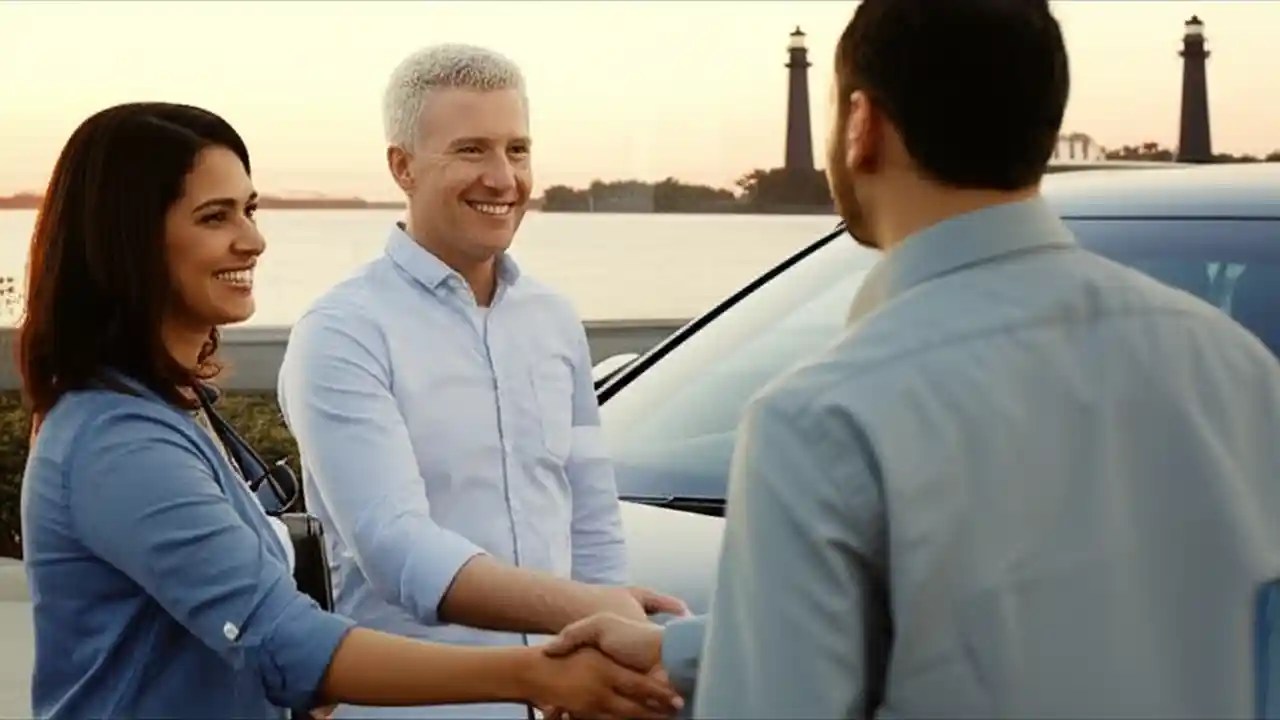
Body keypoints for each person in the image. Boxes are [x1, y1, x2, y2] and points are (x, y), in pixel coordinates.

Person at [544, 1, 1280, 717]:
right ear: (1042, 124)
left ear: (862, 125)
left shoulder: (824, 419)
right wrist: (684, 655)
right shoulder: (1237, 369)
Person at [17, 101, 684, 720]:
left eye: (250, 209)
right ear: (128, 239)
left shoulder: (176, 411)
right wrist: (538, 673)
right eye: (215, 217)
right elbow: (288, 640)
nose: (253, 240)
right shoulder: (117, 441)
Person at [275, 44, 686, 719]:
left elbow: (590, 512)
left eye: (517, 150)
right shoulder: (342, 332)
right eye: (471, 150)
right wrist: (593, 610)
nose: (503, 178)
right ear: (401, 166)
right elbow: (395, 548)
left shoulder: (552, 320)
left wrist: (616, 650)